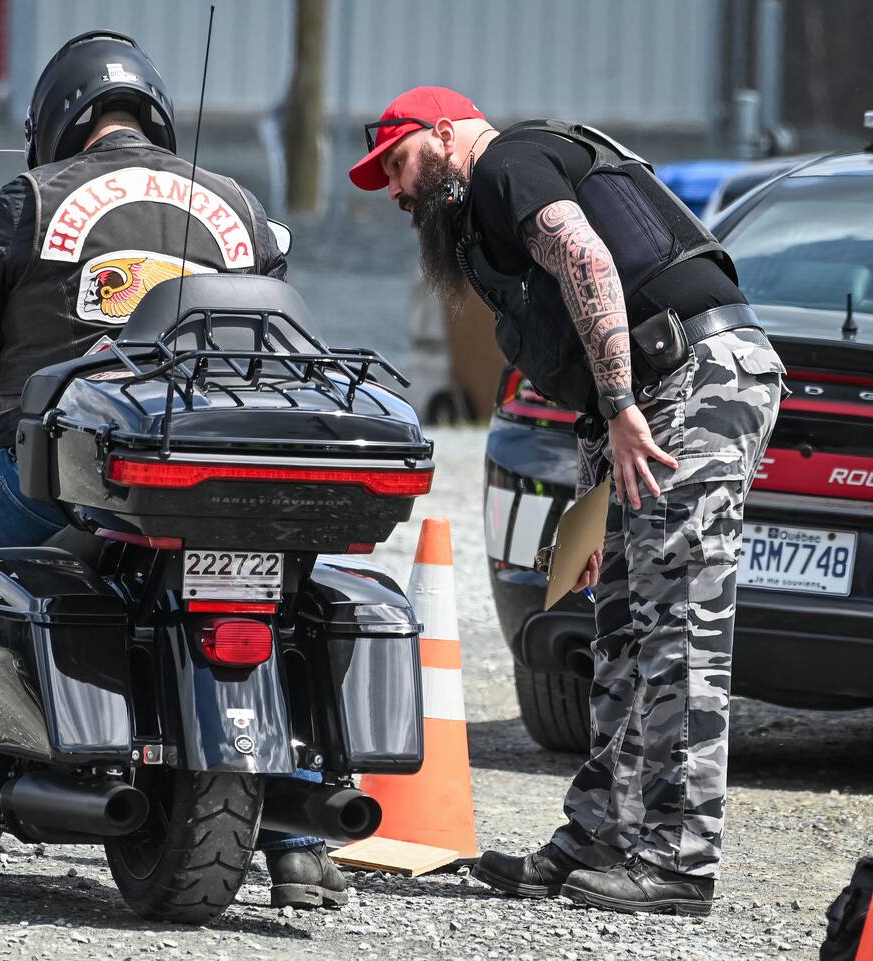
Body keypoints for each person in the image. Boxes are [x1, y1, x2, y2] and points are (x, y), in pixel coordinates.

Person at [0, 30, 346, 911]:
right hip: (223, 473)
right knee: (272, 605)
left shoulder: (35, 197)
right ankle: (300, 853)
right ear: (153, 111)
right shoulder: (234, 203)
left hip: (77, 474)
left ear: (53, 120)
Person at [349, 87, 784, 916]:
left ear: (444, 134)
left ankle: (678, 863)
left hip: (694, 377)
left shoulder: (507, 163)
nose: (398, 193)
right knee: (617, 621)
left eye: (398, 165)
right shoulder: (489, 200)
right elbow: (583, 362)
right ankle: (598, 836)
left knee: (678, 623)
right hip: (656, 393)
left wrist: (623, 405)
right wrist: (595, 505)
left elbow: (586, 261)